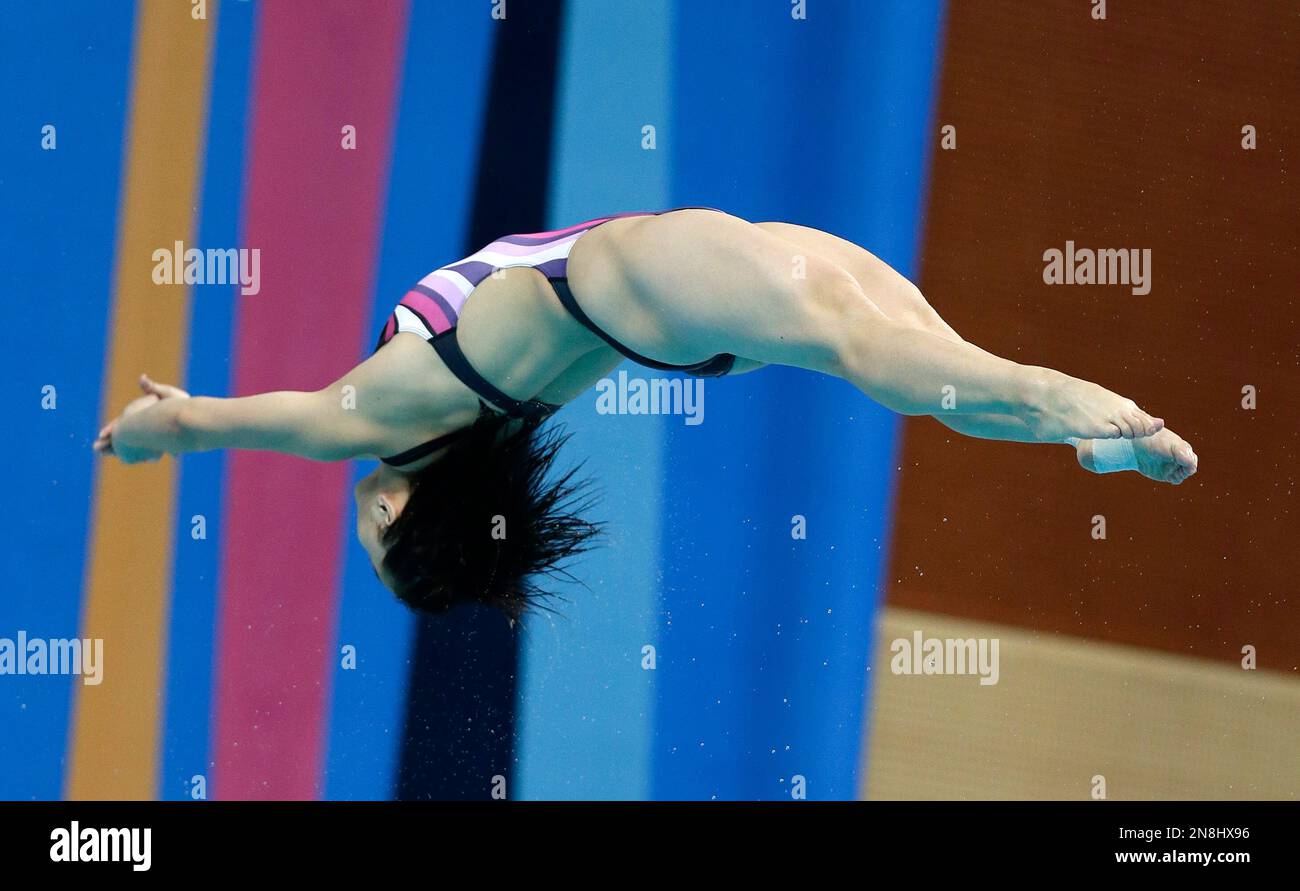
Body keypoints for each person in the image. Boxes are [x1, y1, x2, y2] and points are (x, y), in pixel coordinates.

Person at [94, 208, 1198, 618]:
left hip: (685, 329)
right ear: (392, 519)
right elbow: (236, 425)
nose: (357, 530)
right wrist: (161, 428)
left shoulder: (471, 424)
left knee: (917, 362)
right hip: (649, 284)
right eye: (375, 552)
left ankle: (1086, 443)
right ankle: (1079, 410)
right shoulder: (385, 414)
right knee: (882, 353)